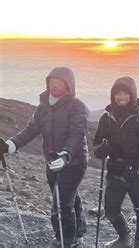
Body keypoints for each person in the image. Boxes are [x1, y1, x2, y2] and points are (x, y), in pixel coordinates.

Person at [0, 67, 88, 247]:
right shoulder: (43, 106)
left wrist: (66, 155)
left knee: (61, 205)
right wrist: (12, 144)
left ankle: (66, 241)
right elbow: (31, 129)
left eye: (60, 83)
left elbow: (76, 134)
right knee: (69, 196)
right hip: (51, 161)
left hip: (74, 162)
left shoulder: (77, 106)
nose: (55, 86)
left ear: (69, 85)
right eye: (52, 82)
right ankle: (79, 229)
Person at [93, 76, 139, 248]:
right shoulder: (107, 118)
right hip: (115, 172)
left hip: (137, 174)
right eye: (117, 93)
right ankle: (124, 236)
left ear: (132, 94)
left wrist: (136, 167)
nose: (121, 97)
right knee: (111, 211)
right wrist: (100, 150)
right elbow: (97, 142)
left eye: (125, 93)